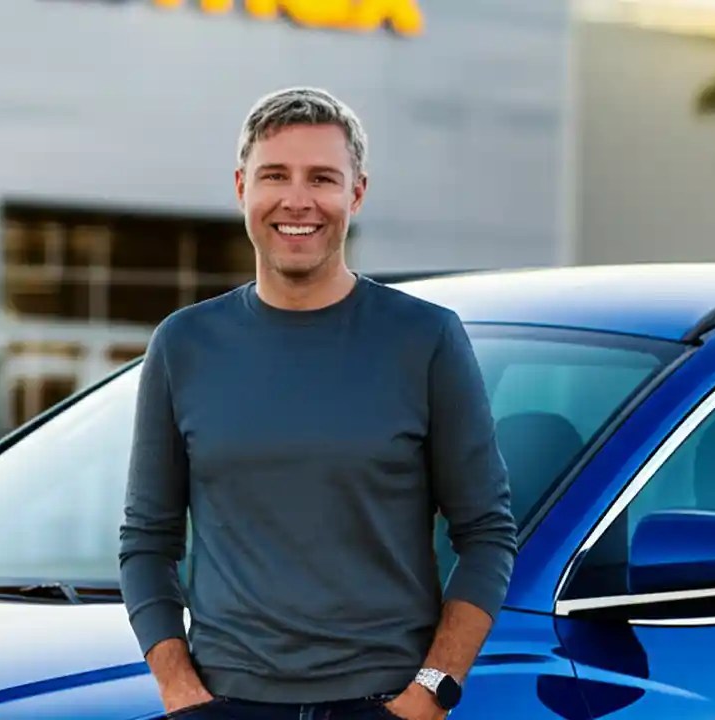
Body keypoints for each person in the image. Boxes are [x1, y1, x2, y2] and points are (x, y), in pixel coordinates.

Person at [117, 87, 518, 720]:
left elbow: (488, 534)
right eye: (274, 175)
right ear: (241, 187)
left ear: (355, 194)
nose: (297, 201)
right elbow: (147, 540)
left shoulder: (426, 340)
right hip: (226, 702)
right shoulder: (183, 345)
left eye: (322, 179)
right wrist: (180, 692)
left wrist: (430, 694)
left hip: (383, 701)